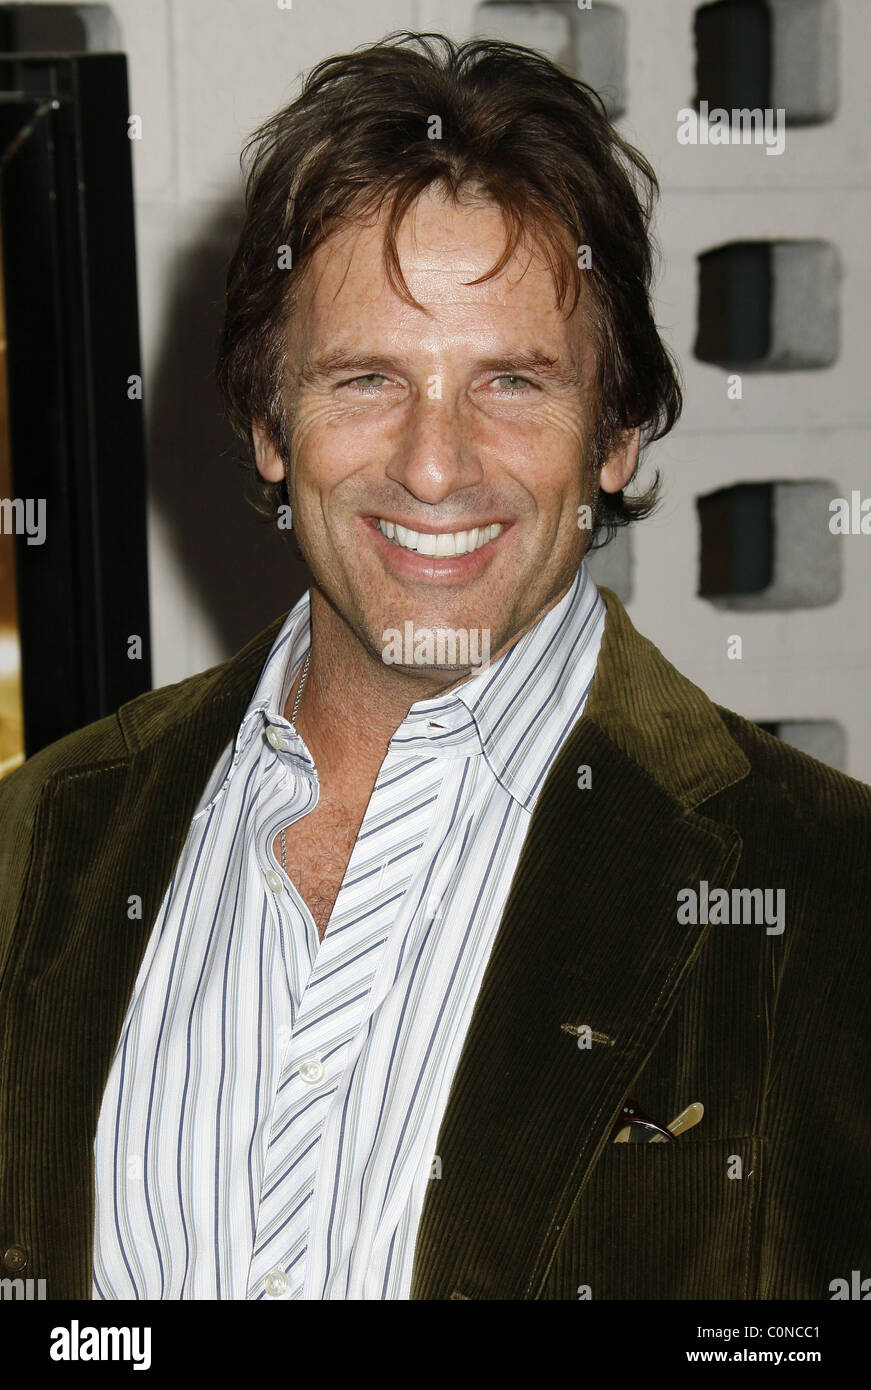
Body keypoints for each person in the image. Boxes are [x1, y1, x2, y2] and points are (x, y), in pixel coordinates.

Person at [0, 32, 868, 1303]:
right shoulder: (39, 839)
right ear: (265, 423)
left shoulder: (830, 897)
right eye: (365, 379)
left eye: (511, 381)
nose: (433, 463)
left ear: (617, 431)